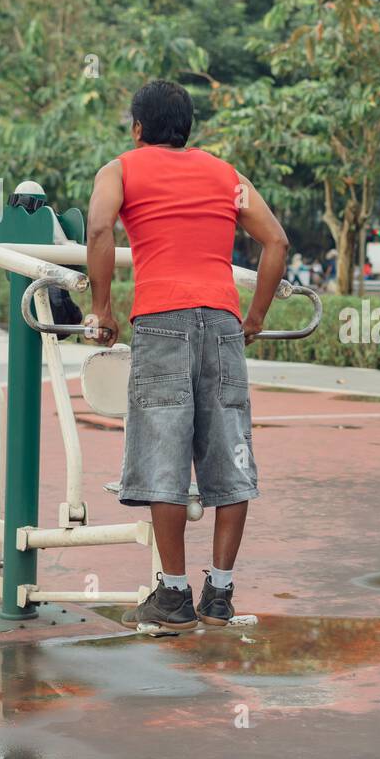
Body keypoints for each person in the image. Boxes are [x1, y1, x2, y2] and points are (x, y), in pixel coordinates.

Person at [85, 80, 288, 632]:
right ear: (189, 128)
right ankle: (219, 593)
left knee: (162, 453)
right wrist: (256, 318)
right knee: (230, 452)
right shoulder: (228, 176)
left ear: (137, 127)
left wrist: (101, 309)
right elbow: (277, 243)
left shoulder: (120, 170)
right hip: (221, 322)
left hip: (161, 321)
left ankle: (172, 596)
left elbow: (100, 227)